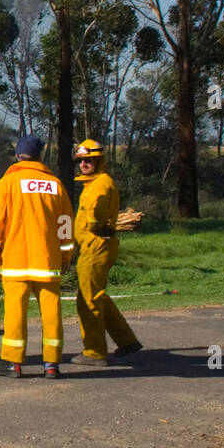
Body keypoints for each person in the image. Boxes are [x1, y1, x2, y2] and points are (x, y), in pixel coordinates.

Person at [0, 135, 75, 380]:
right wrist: (66, 255)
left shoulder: (8, 183)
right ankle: (52, 364)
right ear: (40, 157)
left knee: (15, 310)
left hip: (15, 261)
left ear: (17, 156)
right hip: (47, 261)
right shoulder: (55, 185)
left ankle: (12, 363)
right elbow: (65, 223)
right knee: (52, 311)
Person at [70, 139, 142, 366]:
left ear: (99, 160)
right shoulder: (94, 183)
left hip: (95, 245)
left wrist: (89, 225)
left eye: (89, 160)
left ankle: (95, 352)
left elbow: (93, 213)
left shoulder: (100, 185)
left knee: (87, 300)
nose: (84, 164)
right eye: (81, 160)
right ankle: (127, 340)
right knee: (98, 295)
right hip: (98, 244)